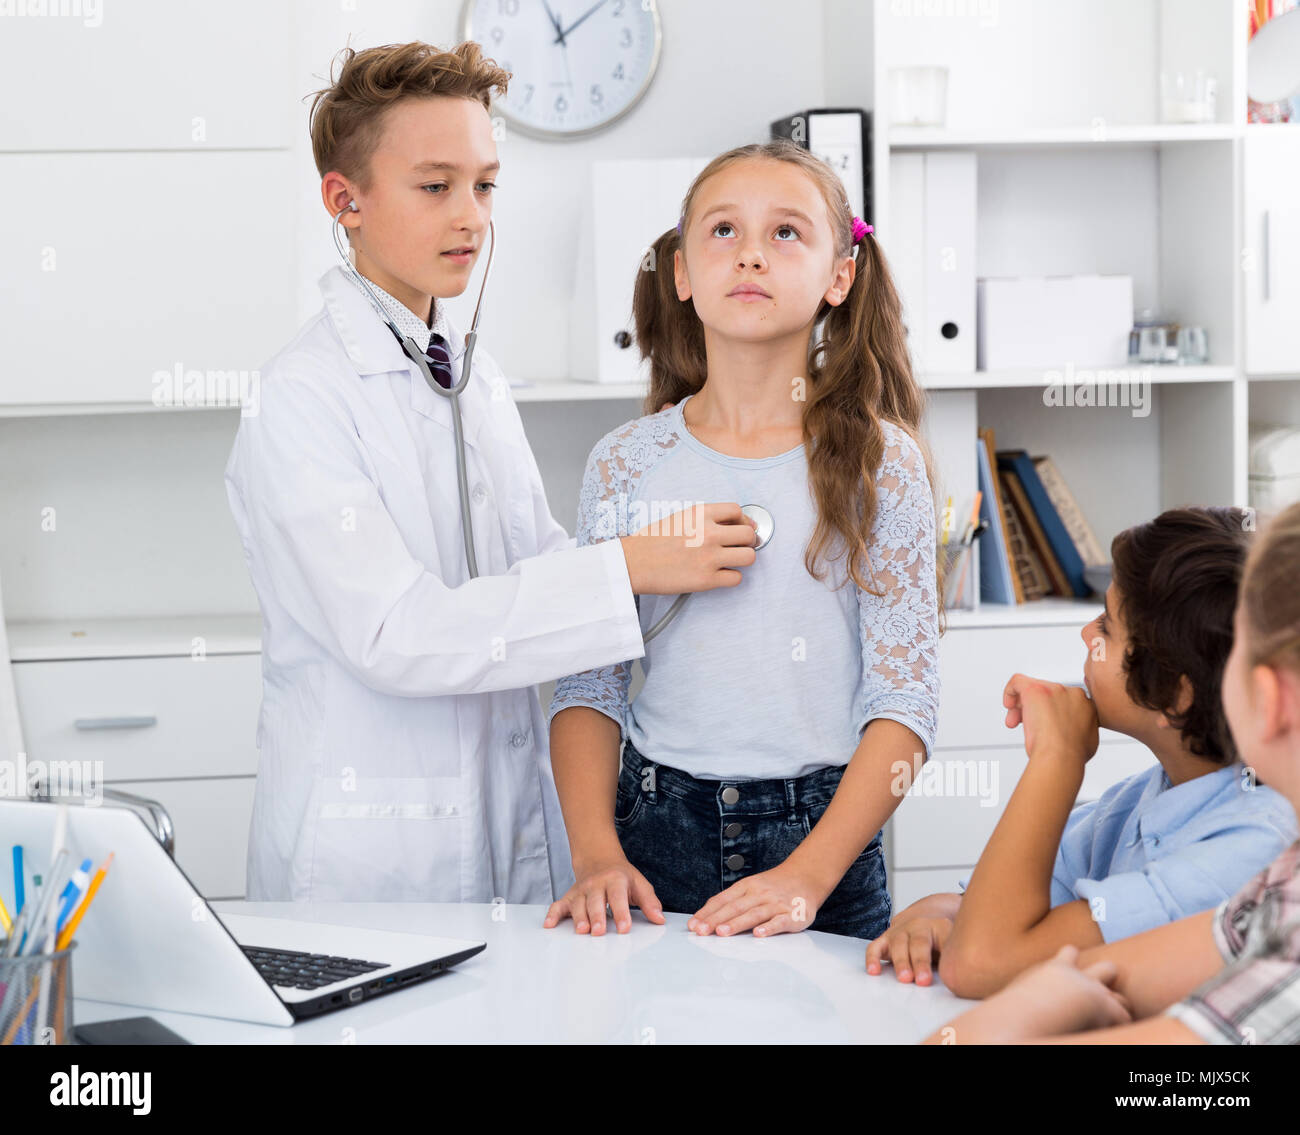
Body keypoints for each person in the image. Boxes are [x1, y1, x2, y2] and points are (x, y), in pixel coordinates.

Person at [224, 41, 758, 904]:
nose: (470, 215)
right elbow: (396, 632)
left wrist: (685, 559)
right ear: (344, 199)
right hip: (374, 863)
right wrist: (626, 568)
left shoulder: (470, 374)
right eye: (436, 186)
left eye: (485, 184)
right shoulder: (300, 397)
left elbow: (533, 564)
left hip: (508, 827)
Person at [542, 140, 943, 941]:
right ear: (683, 274)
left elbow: (904, 699)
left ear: (840, 275)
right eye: (723, 230)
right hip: (654, 834)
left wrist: (808, 875)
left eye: (787, 231)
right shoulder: (626, 461)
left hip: (824, 843)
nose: (752, 251)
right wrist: (594, 854)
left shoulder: (882, 461)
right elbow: (590, 685)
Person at [866, 508, 1295, 994]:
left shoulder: (1251, 847)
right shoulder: (1134, 802)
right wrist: (935, 920)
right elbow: (978, 911)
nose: (1087, 634)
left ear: (1176, 696)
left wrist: (1058, 759)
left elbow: (981, 963)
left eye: (1107, 627)